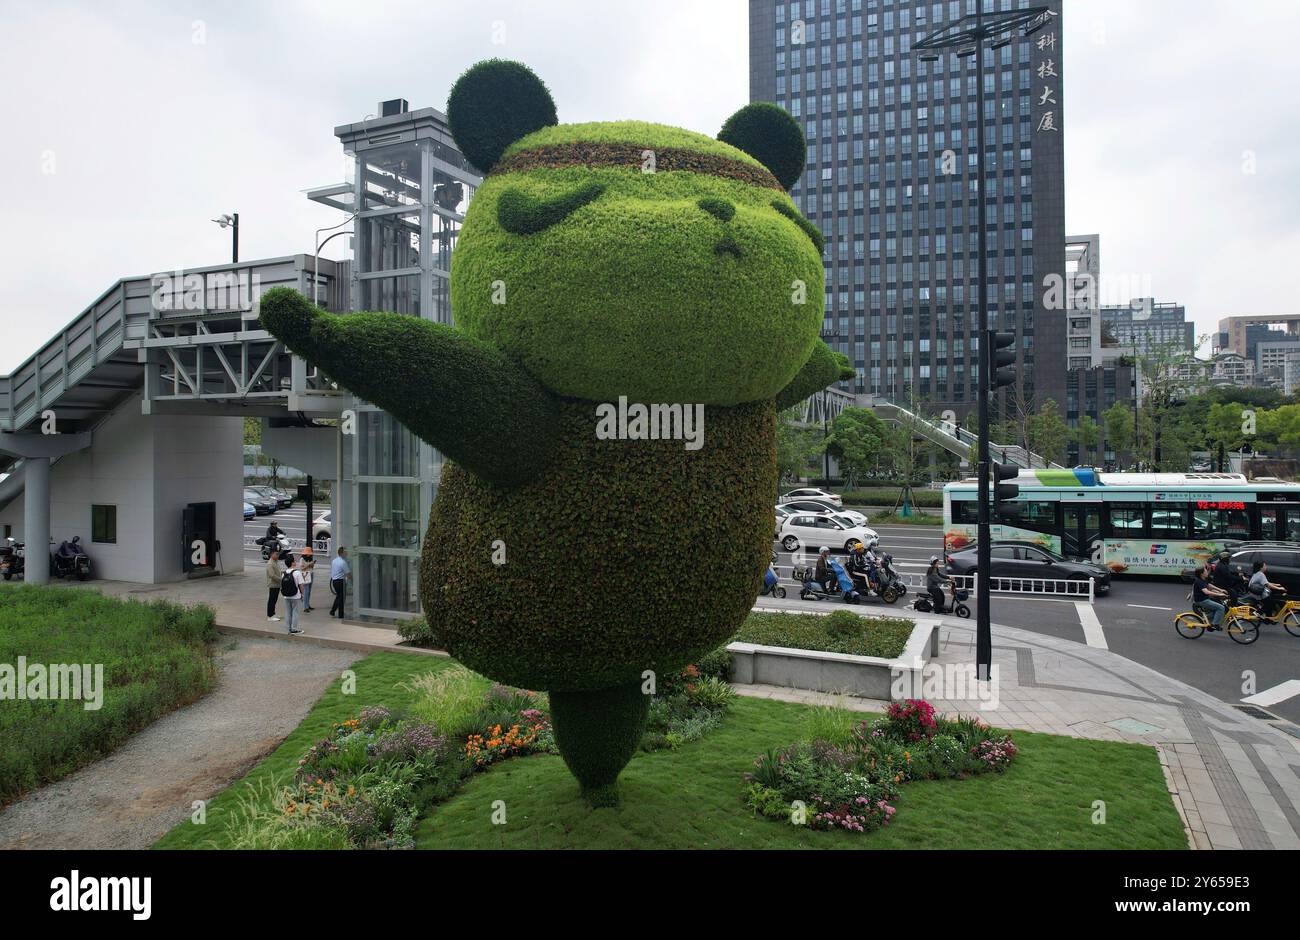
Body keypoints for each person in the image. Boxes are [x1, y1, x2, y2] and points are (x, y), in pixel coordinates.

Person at [1192, 564, 1228, 630]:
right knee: (1221, 608)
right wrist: (1219, 594)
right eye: (1205, 571)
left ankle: (1205, 620)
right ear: (1201, 574)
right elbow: (1206, 592)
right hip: (1201, 601)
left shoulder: (1203, 579)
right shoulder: (1199, 581)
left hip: (1205, 599)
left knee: (1216, 610)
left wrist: (1220, 590)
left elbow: (1209, 585)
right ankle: (1215, 624)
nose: (1207, 572)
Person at [282, 556, 305, 635]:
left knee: (288, 612)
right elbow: (301, 585)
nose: (295, 562)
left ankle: (288, 628)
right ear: (292, 563)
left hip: (286, 596)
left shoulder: (284, 573)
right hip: (295, 596)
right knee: (295, 612)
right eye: (294, 561)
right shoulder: (297, 573)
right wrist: (302, 594)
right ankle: (294, 629)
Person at [329, 546, 351, 618]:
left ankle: (334, 611)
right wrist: (353, 581)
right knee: (341, 598)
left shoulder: (334, 560)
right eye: (345, 552)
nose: (347, 553)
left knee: (339, 597)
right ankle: (338, 613)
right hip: (340, 581)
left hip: (334, 581)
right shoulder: (343, 562)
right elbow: (348, 573)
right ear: (342, 553)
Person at [265, 548, 285, 622]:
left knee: (274, 599)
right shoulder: (270, 563)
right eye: (276, 554)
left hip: (277, 584)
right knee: (272, 600)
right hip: (273, 584)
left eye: (278, 554)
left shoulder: (275, 562)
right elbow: (272, 575)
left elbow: (277, 571)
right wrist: (281, 579)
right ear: (271, 554)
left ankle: (273, 613)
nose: (278, 555)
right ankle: (270, 616)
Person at [299, 546, 316, 612]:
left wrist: (312, 564)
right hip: (305, 574)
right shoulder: (302, 559)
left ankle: (308, 604)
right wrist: (309, 564)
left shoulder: (310, 558)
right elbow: (302, 568)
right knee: (306, 591)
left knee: (309, 591)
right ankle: (305, 607)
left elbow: (312, 567)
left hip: (311, 573)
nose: (310, 554)